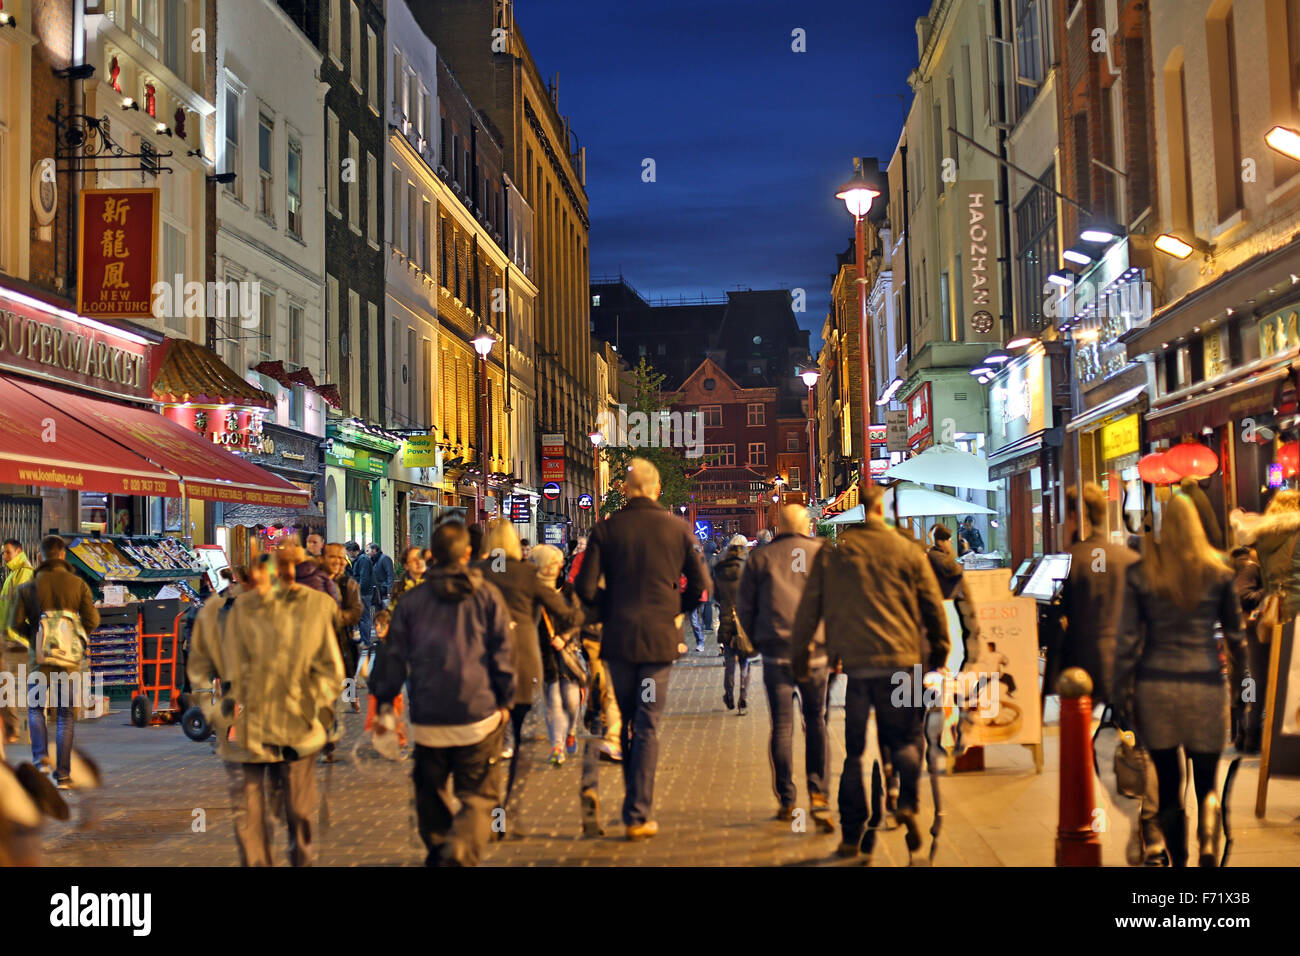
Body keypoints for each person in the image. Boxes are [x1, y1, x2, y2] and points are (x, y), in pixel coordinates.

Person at [791, 482, 949, 859]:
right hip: (902, 663)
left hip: (858, 665)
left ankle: (852, 833)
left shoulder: (836, 553)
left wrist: (800, 656)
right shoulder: (908, 550)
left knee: (855, 753)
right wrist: (940, 653)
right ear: (882, 510)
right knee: (906, 739)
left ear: (861, 511)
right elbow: (932, 606)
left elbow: (810, 607)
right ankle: (906, 801)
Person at [575, 458, 709, 840]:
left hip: (619, 641)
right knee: (647, 724)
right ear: (657, 489)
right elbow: (701, 585)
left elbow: (584, 587)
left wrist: (608, 609)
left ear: (625, 489)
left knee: (628, 718)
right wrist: (674, 610)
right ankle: (637, 813)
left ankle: (633, 804)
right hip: (657, 644)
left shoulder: (606, 529)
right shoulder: (677, 529)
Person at [371, 522, 514, 867]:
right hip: (478, 714)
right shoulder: (487, 597)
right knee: (478, 796)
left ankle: (441, 852)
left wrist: (385, 701)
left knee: (430, 793)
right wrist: (506, 700)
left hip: (430, 716)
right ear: (468, 554)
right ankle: (459, 853)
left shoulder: (412, 602)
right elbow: (503, 653)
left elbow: (392, 656)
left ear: (432, 555)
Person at [1115, 493, 1244, 867]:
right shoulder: (1220, 571)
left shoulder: (1143, 574)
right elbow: (1236, 638)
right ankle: (1209, 844)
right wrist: (1243, 691)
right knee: (1207, 781)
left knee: (1169, 786)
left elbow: (1127, 640)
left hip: (1156, 688)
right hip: (1205, 686)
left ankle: (1180, 860)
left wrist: (1123, 693)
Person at [220, 544, 343, 865]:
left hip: (299, 724)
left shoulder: (317, 608)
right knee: (251, 809)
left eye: (293, 567)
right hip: (255, 723)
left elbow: (331, 668)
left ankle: (301, 858)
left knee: (298, 809)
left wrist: (316, 704)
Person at [1058, 483, 1160, 864]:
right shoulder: (1128, 558)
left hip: (1086, 673)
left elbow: (1061, 620)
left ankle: (1119, 816)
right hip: (1130, 666)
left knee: (1093, 749)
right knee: (1140, 747)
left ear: (1075, 517)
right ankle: (1149, 826)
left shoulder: (1074, 559)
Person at [473, 519, 582, 826]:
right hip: (521, 659)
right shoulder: (526, 575)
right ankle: (506, 807)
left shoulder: (477, 573)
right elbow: (564, 610)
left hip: (482, 660)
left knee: (488, 733)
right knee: (520, 735)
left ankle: (487, 800)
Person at [739, 504, 831, 828]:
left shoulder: (760, 558)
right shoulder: (822, 555)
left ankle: (787, 799)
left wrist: (758, 640)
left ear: (778, 525)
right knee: (815, 721)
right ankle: (818, 794)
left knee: (781, 726)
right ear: (807, 525)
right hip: (815, 654)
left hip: (776, 653)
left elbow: (744, 607)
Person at [13, 535, 99, 788]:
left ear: (40, 556)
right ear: (62, 555)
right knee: (65, 716)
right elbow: (92, 620)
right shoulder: (78, 584)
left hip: (39, 660)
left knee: (36, 709)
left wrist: (35, 638)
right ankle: (63, 775)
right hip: (68, 661)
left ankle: (40, 761)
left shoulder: (28, 587)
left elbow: (14, 624)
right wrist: (75, 638)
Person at [1231, 490, 1300, 756]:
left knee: (1262, 679)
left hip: (1271, 614)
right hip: (1296, 615)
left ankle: (1255, 735)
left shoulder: (1262, 539)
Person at [532, 544, 584, 766]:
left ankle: (571, 730)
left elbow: (578, 617)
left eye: (559, 562)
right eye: (553, 563)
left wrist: (564, 637)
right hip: (544, 654)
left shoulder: (569, 590)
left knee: (571, 702)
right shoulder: (531, 592)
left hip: (567, 652)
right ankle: (557, 747)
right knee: (553, 702)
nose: (558, 566)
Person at [1230, 546, 1264, 754]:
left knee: (1246, 680)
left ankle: (1244, 733)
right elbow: (1245, 595)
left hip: (1242, 632)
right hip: (1250, 632)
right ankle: (1249, 734)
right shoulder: (1251, 568)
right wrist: (1268, 590)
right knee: (1251, 680)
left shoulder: (1239, 567)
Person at [0, 540, 34, 745]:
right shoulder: (12, 575)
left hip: (19, 641)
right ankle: (12, 728)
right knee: (6, 685)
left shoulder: (25, 573)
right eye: (3, 553)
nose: (5, 556)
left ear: (19, 551)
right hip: (8, 638)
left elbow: (21, 607)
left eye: (7, 552)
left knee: (20, 686)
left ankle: (24, 729)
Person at [714, 534, 752, 714]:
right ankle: (743, 695)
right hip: (746, 618)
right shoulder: (750, 567)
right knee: (745, 660)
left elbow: (716, 595)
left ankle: (728, 693)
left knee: (729, 659)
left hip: (727, 615)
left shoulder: (721, 567)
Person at [323, 544, 363, 713]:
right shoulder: (316, 582)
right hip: (319, 640)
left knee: (348, 669)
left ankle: (350, 697)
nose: (339, 562)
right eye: (334, 557)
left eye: (342, 558)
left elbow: (356, 612)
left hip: (342, 636)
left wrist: (335, 617)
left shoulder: (349, 584)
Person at [362, 609, 406, 749]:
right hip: (377, 690)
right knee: (375, 721)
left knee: (394, 721)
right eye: (376, 625)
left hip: (391, 692)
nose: (378, 628)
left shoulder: (394, 647)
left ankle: (399, 744)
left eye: (383, 625)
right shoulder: (378, 646)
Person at [346, 541, 375, 649]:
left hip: (364, 593)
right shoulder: (360, 559)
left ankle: (366, 641)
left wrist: (358, 591)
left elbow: (364, 578)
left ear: (352, 551)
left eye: (347, 551)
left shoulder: (363, 560)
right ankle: (363, 639)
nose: (347, 554)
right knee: (362, 617)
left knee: (364, 617)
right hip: (362, 592)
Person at [368, 543, 394, 608]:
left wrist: (389, 591)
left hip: (384, 590)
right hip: (376, 591)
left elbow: (390, 575)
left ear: (374, 550)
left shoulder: (384, 558)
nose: (367, 553)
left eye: (368, 550)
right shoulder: (373, 560)